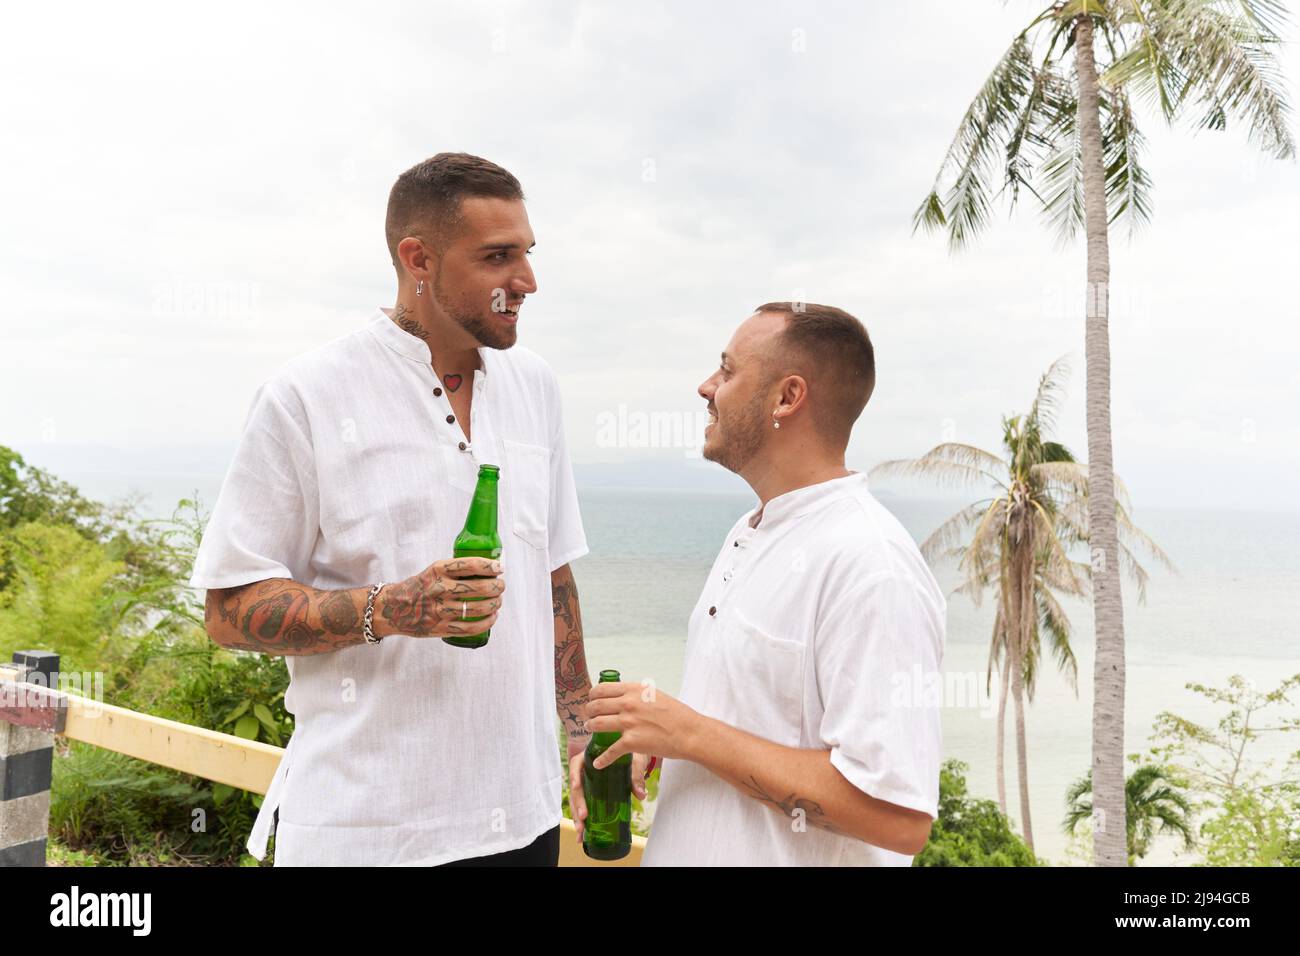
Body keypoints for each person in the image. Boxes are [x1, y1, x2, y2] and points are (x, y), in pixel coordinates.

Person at [190, 152, 591, 866]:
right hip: (365, 831)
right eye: (498, 257)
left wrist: (580, 724)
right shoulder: (308, 395)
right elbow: (228, 610)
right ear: (419, 259)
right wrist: (394, 608)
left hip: (523, 823)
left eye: (527, 254)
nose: (526, 282)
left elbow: (553, 573)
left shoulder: (536, 387)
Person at [570, 302, 945, 865]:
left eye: (726, 371)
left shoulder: (871, 564)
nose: (706, 386)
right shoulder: (749, 531)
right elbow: (750, 726)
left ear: (787, 398)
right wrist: (659, 743)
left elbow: (896, 817)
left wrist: (688, 734)